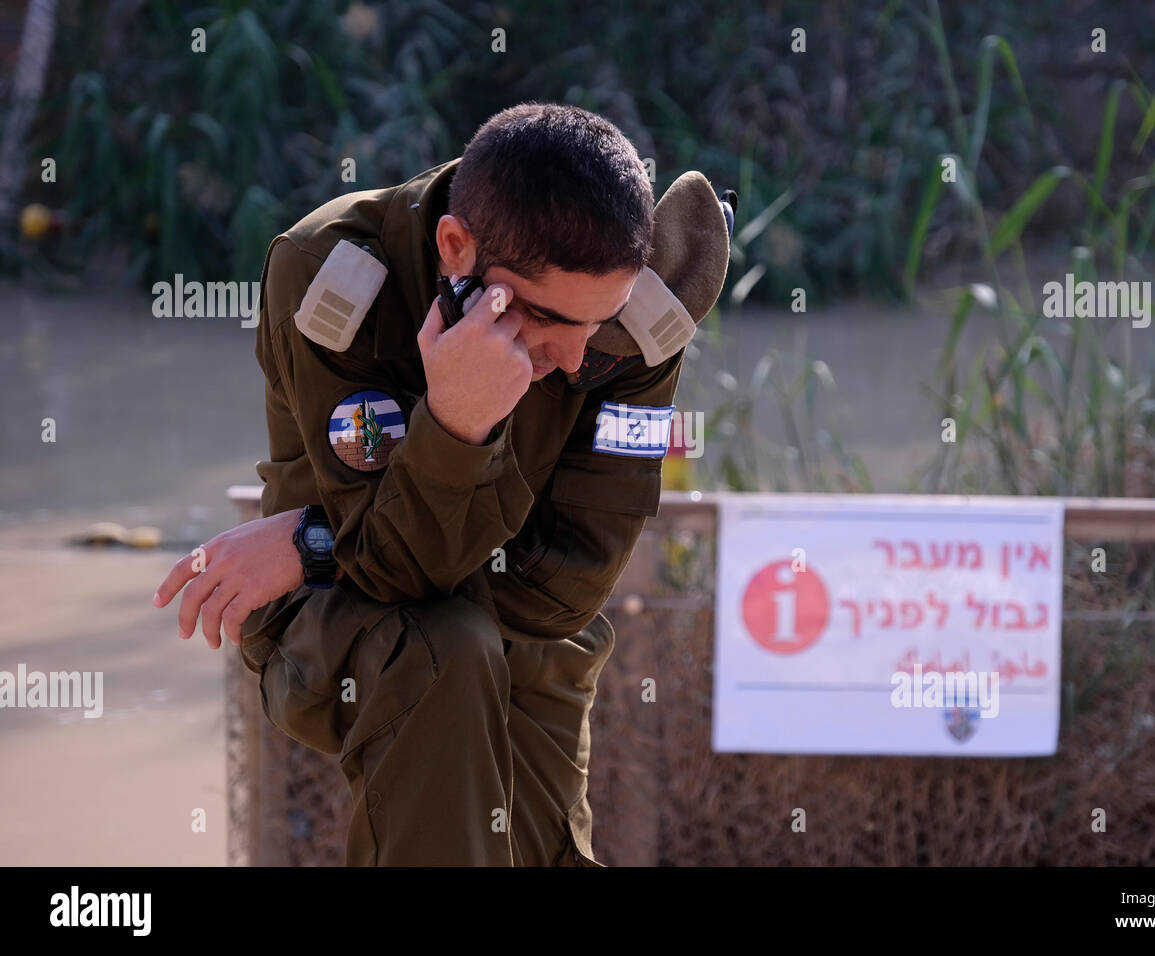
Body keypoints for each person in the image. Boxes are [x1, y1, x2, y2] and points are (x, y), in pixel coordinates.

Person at [152, 101, 732, 865]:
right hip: (339, 625)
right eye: (551, 321)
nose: (573, 355)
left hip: (531, 636)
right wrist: (460, 425)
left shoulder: (634, 320)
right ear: (456, 247)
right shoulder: (335, 283)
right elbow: (395, 578)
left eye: (601, 321)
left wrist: (309, 539)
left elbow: (571, 588)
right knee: (445, 649)